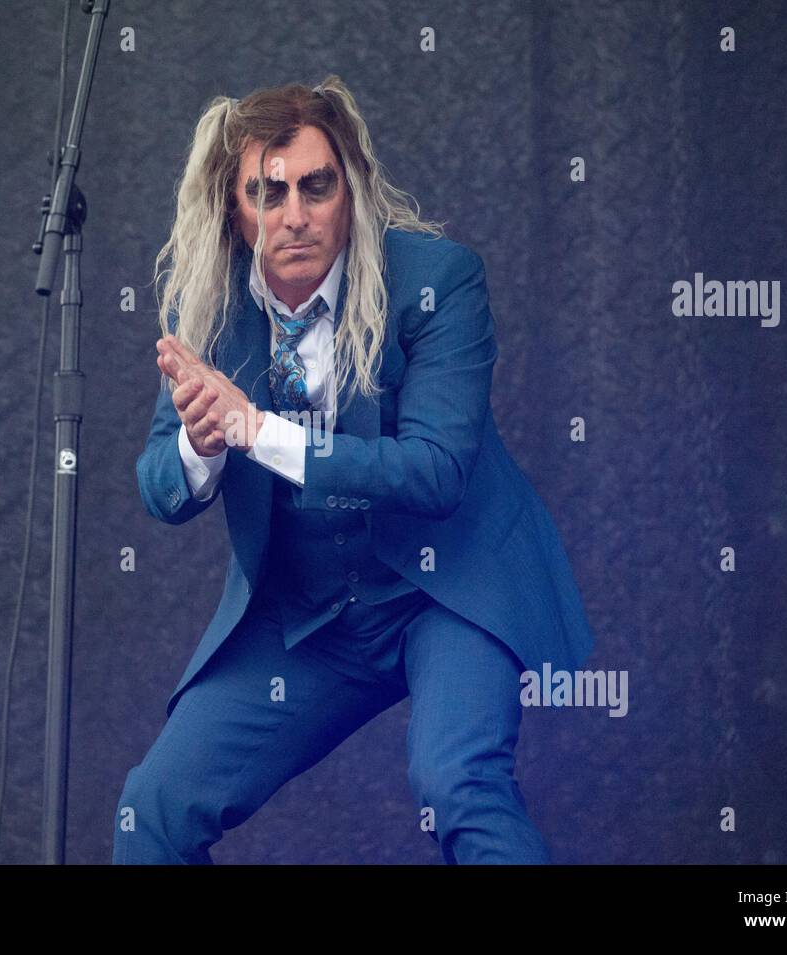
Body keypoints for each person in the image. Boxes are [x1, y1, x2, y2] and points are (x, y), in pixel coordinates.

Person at [113, 76, 594, 864]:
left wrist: (257, 430)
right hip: (312, 616)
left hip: (449, 586)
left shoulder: (438, 281)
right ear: (233, 210)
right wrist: (204, 440)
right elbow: (158, 487)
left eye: (316, 186)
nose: (294, 214)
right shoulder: (206, 304)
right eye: (268, 193)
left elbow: (435, 471)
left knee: (457, 785)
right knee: (153, 806)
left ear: (352, 190)